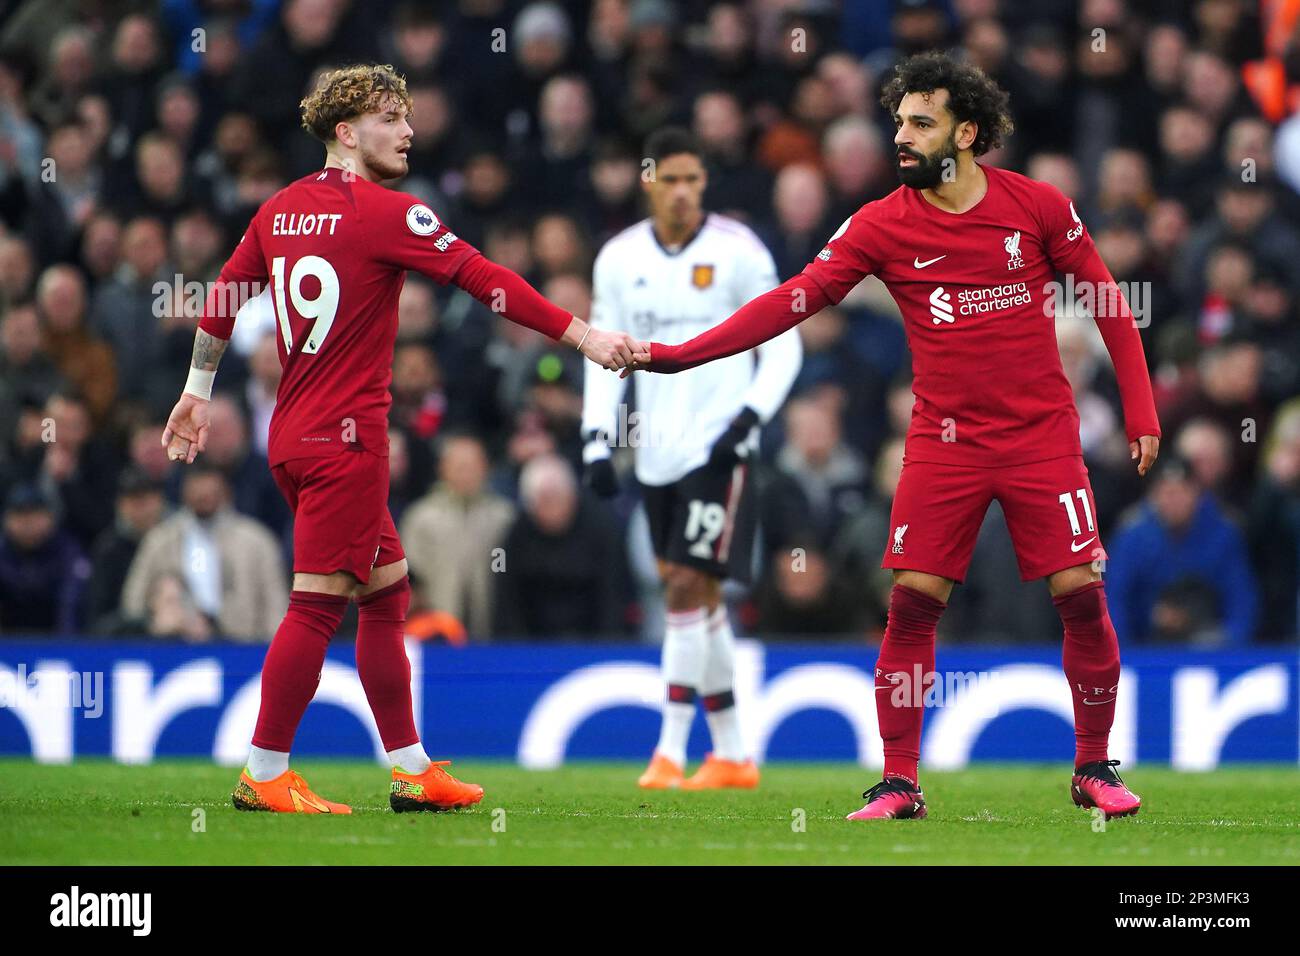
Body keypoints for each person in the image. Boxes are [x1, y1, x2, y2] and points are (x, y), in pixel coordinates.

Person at [623, 53, 1162, 822]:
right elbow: (792, 301)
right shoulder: (880, 223)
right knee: (911, 604)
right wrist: (680, 355)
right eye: (898, 122)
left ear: (966, 132)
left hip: (1042, 436)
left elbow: (1109, 301)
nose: (901, 137)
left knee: (1081, 595)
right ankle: (901, 782)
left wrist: (1140, 410)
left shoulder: (1037, 206)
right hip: (945, 443)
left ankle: (1094, 767)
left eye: (920, 123)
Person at [159, 63, 643, 815]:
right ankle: (262, 771)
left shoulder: (279, 211)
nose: (409, 130)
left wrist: (195, 392)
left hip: (291, 434)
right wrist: (582, 335)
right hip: (346, 443)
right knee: (317, 606)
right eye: (392, 117)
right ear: (348, 132)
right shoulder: (388, 212)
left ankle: (411, 768)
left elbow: (222, 296)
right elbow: (485, 278)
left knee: (387, 594)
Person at [581, 127, 802, 790]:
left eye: (693, 180)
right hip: (653, 453)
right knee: (698, 595)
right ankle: (732, 752)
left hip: (720, 444)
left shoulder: (740, 252)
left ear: (705, 184)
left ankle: (670, 751)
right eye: (669, 179)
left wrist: (750, 418)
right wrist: (598, 436)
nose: (682, 193)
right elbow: (603, 350)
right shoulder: (618, 259)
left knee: (683, 584)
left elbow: (783, 344)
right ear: (647, 180)